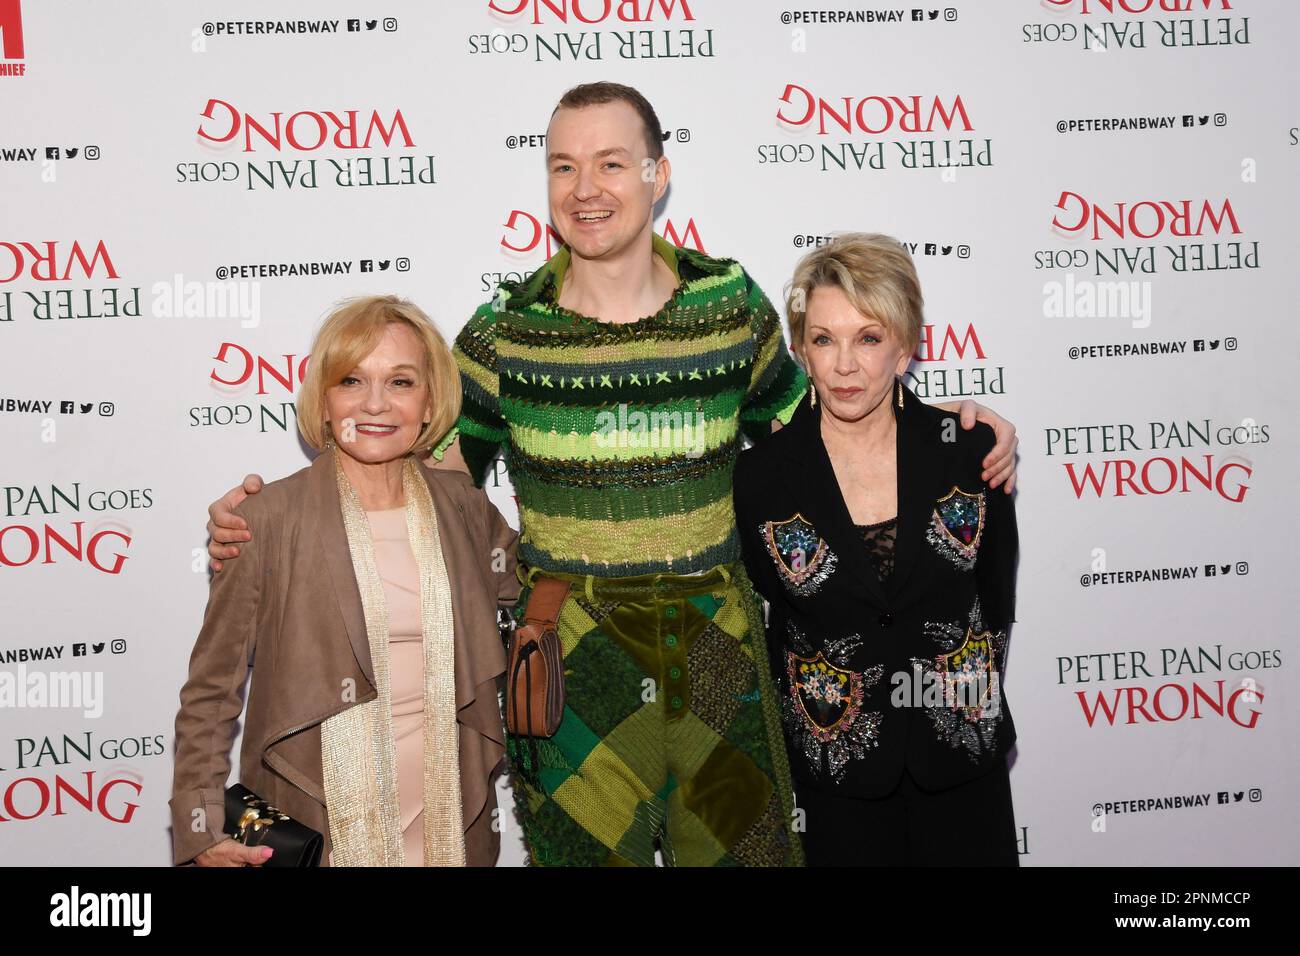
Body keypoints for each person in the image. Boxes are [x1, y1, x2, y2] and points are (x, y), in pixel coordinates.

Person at [204, 83, 1019, 867]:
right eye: (563, 166)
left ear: (659, 176)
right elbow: (413, 481)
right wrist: (272, 521)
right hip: (572, 669)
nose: (585, 188)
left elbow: (825, 430)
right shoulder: (505, 331)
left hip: (720, 661)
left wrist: (949, 434)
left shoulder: (729, 304)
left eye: (611, 163)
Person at [170, 295, 519, 867]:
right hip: (317, 820)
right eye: (352, 380)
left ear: (430, 403)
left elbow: (533, 591)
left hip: (452, 821)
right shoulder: (266, 519)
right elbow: (212, 690)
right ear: (324, 400)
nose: (375, 403)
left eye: (401, 382)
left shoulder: (465, 509)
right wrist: (201, 826)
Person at [732, 234, 1019, 866]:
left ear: (905, 347)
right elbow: (773, 619)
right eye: (823, 339)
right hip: (837, 782)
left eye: (867, 338)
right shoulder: (761, 480)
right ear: (801, 349)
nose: (844, 365)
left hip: (962, 767)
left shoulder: (968, 454)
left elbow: (996, 598)